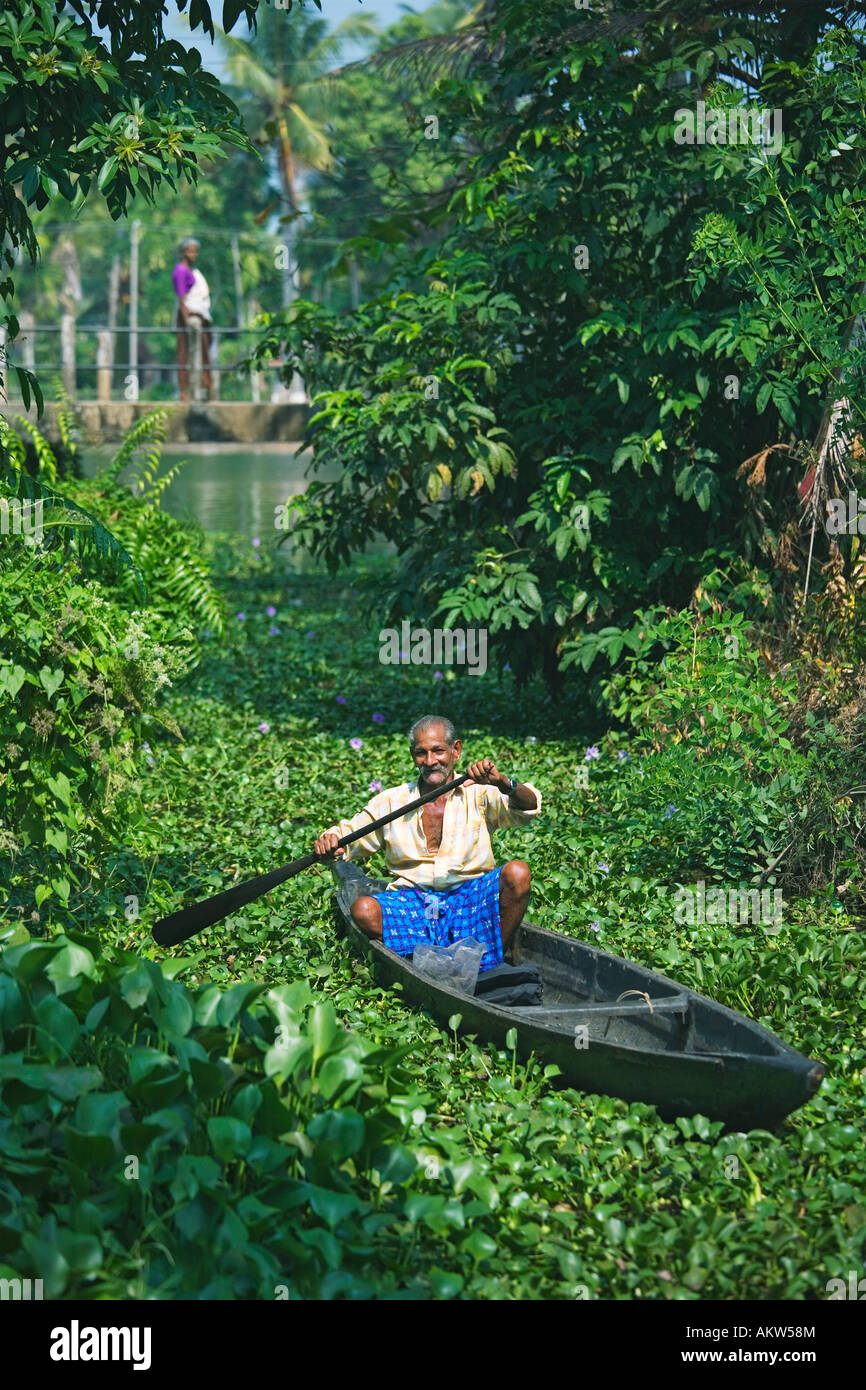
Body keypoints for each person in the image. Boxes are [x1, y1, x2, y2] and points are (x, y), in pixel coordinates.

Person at [313, 715, 541, 972]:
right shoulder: (392, 801)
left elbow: (529, 805)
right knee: (364, 911)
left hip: (468, 899)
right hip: (414, 903)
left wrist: (503, 782)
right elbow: (348, 836)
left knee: (518, 874)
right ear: (413, 755)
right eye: (421, 753)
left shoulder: (479, 792)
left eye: (438, 751)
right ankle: (435, 958)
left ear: (456, 750)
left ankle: (491, 961)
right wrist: (329, 841)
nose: (431, 761)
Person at [173, 237, 212, 400]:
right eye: (190, 250)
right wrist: (187, 321)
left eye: (195, 251)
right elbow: (182, 299)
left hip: (200, 315)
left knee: (204, 352)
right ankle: (184, 392)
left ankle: (207, 386)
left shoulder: (193, 271)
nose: (193, 254)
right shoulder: (180, 271)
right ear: (182, 253)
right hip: (189, 317)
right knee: (184, 353)